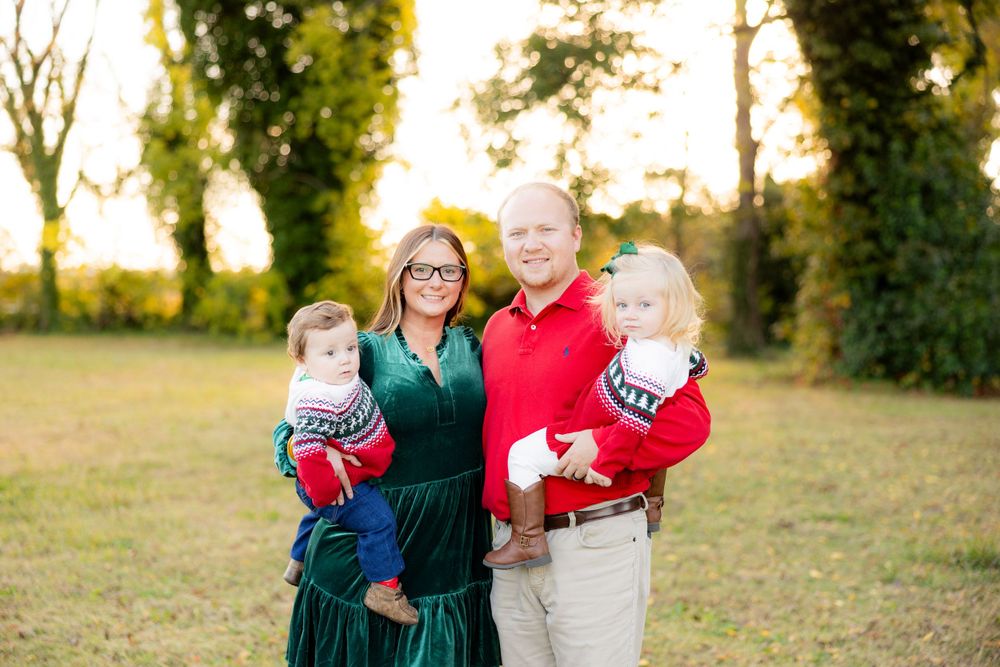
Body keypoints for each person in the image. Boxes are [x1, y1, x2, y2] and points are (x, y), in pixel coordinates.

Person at [481, 182, 712, 666]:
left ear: (576, 235)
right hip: (509, 545)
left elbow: (691, 421)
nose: (531, 244)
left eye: (547, 229)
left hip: (594, 542)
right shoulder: (498, 326)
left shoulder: (621, 310)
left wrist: (605, 445)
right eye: (517, 232)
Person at [274, 225, 501, 666]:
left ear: (463, 280)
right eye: (422, 268)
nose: (435, 281)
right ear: (400, 275)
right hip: (371, 555)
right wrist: (310, 456)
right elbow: (289, 425)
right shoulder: (362, 352)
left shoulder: (473, 347)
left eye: (449, 270)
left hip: (456, 545)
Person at [483, 242, 703, 570]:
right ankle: (654, 504)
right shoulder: (662, 343)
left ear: (574, 234)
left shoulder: (646, 352)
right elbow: (692, 366)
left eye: (644, 305)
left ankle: (527, 539)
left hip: (583, 467)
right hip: (592, 420)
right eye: (623, 304)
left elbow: (648, 420)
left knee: (522, 455)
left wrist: (603, 454)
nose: (630, 313)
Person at [280, 300, 417, 625]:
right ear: (303, 361)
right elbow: (309, 452)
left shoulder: (332, 380)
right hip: (338, 484)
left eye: (350, 348)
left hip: (339, 478)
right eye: (330, 353)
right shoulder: (320, 398)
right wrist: (328, 495)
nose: (344, 359)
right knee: (378, 521)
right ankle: (384, 590)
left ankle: (298, 559)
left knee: (318, 515)